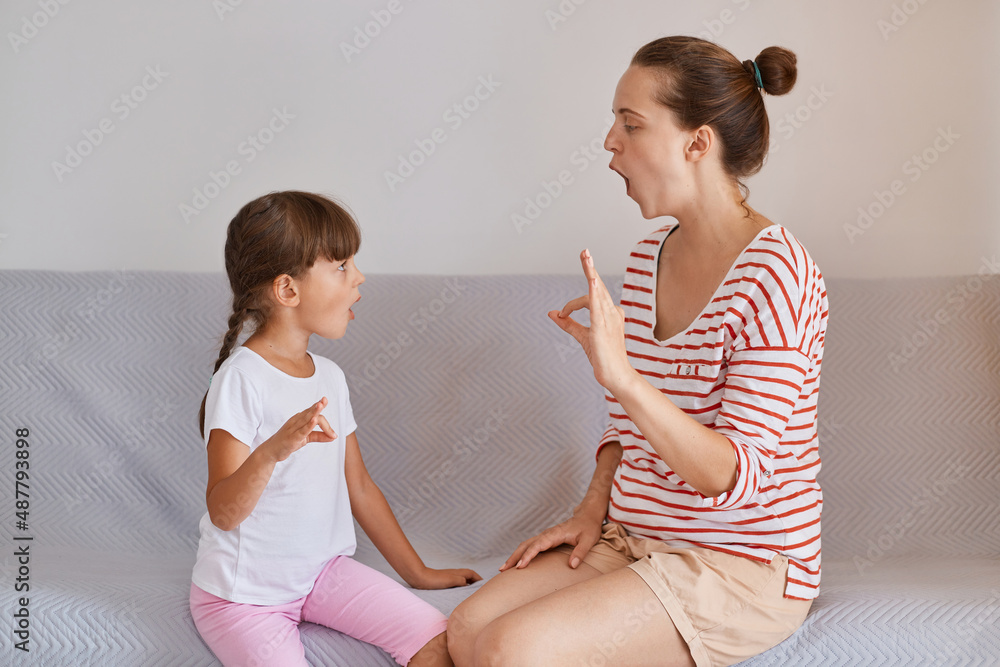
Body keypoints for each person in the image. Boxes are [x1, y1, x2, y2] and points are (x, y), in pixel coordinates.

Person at [448, 36, 828, 667]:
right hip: (635, 539)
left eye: (631, 124)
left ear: (697, 143)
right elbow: (630, 424)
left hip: (739, 563)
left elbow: (729, 474)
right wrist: (592, 506)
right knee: (466, 631)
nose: (609, 143)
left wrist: (621, 375)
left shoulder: (778, 274)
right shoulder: (649, 256)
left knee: (508, 651)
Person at [189, 191, 481, 667]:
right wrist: (271, 452)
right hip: (242, 599)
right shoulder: (240, 379)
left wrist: (419, 572)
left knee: (439, 641)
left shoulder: (330, 377)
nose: (359, 277)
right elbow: (223, 512)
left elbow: (360, 486)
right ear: (288, 290)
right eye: (342, 266)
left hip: (323, 576)